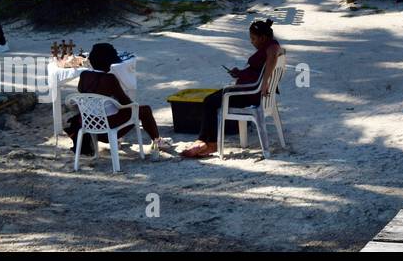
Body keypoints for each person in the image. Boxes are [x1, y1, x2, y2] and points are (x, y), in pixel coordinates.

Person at [181, 18, 282, 158]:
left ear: (263, 38)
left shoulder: (272, 46)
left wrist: (265, 82)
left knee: (209, 102)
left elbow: (273, 56)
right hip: (248, 90)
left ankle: (209, 143)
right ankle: (206, 141)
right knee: (211, 100)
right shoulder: (268, 45)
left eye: (253, 38)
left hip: (249, 94)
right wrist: (239, 73)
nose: (251, 42)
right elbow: (256, 69)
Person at [65, 42, 170, 154]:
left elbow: (83, 92)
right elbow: (125, 102)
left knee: (113, 108)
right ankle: (157, 140)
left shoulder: (84, 75)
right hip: (107, 128)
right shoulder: (109, 79)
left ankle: (155, 140)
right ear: (108, 63)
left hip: (88, 124)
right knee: (145, 110)